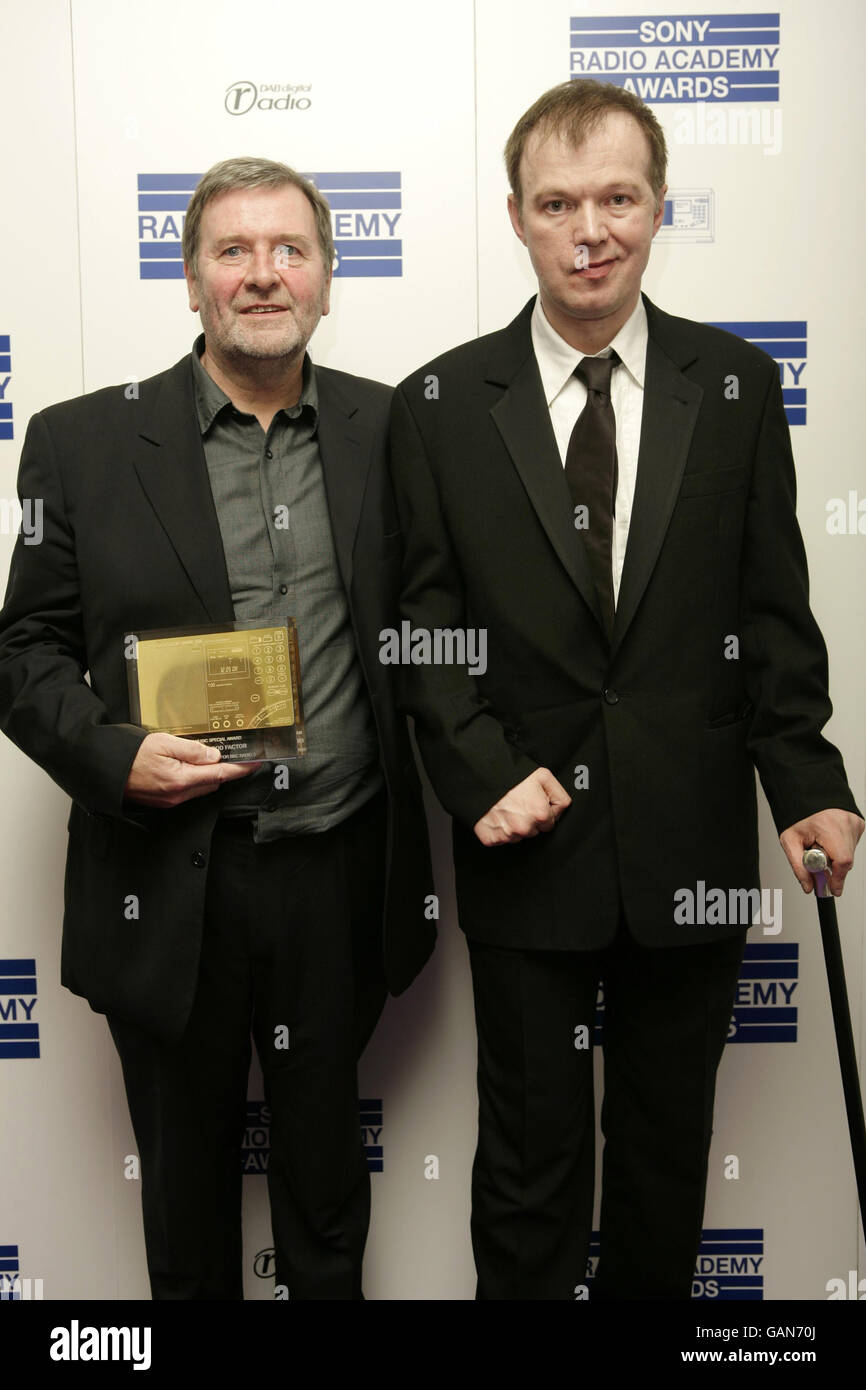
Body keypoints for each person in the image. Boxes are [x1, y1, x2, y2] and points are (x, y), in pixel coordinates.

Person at [388, 81, 863, 1300]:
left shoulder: (739, 386)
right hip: (523, 847)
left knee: (662, 1160)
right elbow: (422, 625)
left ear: (658, 207)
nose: (588, 228)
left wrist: (806, 782)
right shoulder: (439, 405)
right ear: (515, 217)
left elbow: (770, 617)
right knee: (531, 1167)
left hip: (689, 844)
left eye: (616, 198)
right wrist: (482, 771)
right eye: (557, 203)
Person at [0, 156, 434, 1300]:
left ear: (328, 280)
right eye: (232, 251)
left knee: (326, 1203)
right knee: (186, 1220)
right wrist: (112, 753)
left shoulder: (394, 432)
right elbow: (22, 653)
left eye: (290, 249)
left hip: (334, 877)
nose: (262, 274)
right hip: (167, 879)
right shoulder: (82, 444)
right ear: (190, 279)